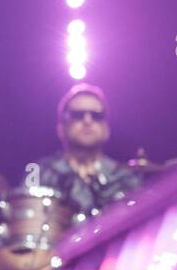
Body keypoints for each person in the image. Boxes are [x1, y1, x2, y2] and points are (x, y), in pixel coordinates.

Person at [30, 82, 142, 219]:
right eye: (77, 115)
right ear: (61, 128)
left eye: (97, 116)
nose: (87, 121)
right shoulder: (40, 173)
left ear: (107, 129)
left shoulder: (125, 177)